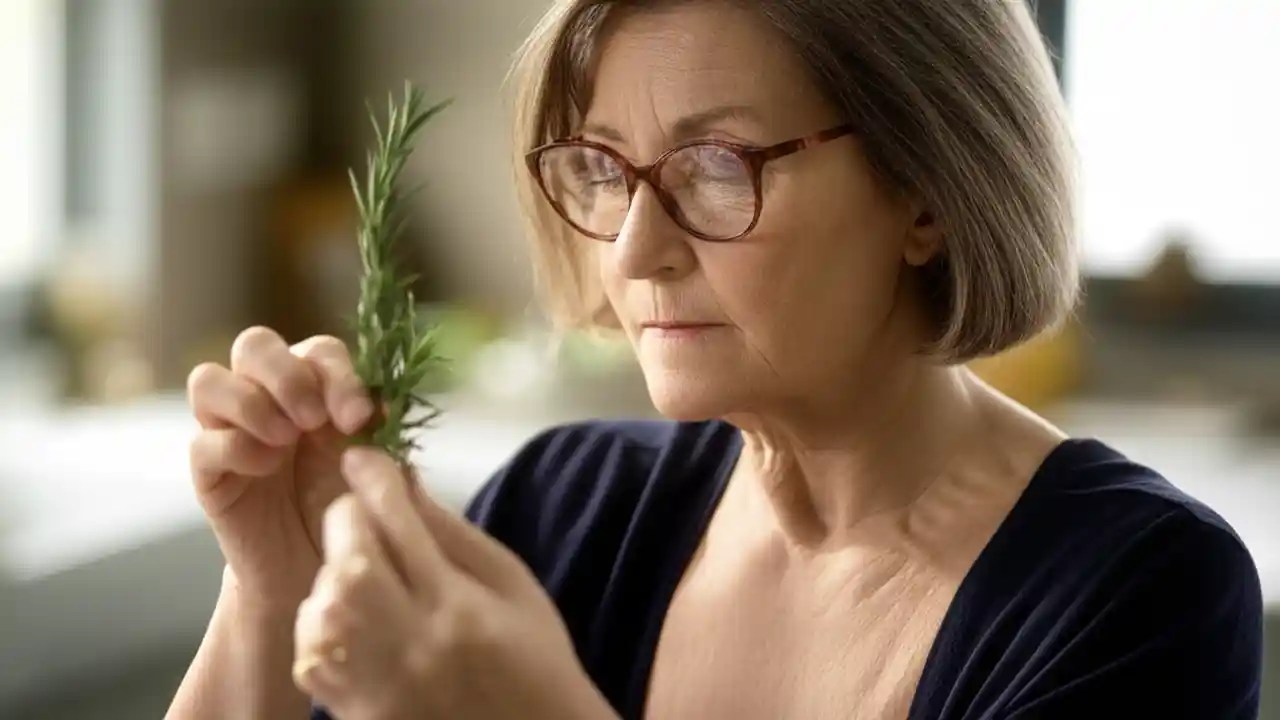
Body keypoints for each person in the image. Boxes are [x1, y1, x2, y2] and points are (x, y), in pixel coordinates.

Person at [166, 1, 1264, 718]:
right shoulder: (559, 509)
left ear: (924, 192)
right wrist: (268, 592)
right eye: (602, 169)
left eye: (713, 164)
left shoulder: (1137, 588)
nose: (634, 250)